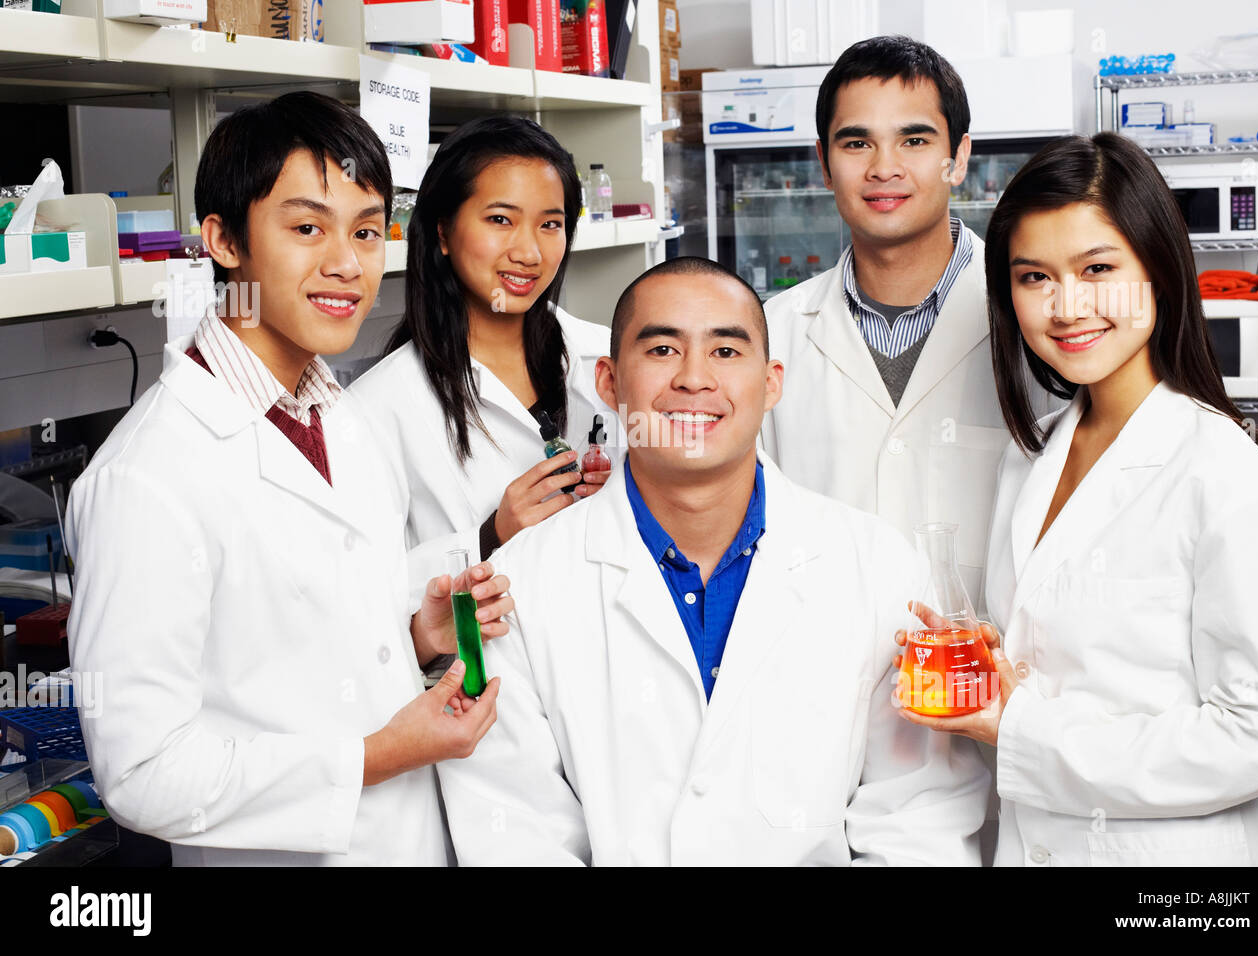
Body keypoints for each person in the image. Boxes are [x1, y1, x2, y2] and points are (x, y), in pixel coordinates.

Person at [65, 92, 510, 867]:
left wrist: (416, 633)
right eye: (307, 228)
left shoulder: (340, 418)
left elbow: (294, 656)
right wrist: (375, 755)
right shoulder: (146, 477)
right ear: (224, 239)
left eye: (367, 231)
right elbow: (141, 774)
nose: (346, 263)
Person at [435, 257, 990, 865]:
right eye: (662, 350)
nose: (695, 379)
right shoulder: (523, 585)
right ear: (610, 381)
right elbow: (514, 831)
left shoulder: (878, 568)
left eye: (726, 352)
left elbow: (917, 816)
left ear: (773, 381)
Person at [898, 132, 1258, 866]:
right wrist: (997, 668)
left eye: (1097, 269)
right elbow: (1087, 666)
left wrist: (1024, 729)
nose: (1066, 306)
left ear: (1157, 270)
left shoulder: (1230, 477)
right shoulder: (1034, 459)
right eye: (1033, 277)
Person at [761, 35, 1041, 606]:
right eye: (857, 142)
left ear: (958, 158)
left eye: (914, 140)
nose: (884, 168)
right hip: (822, 672)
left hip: (986, 678)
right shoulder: (772, 332)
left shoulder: (1034, 320)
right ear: (823, 162)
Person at [350, 117, 617, 601]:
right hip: (489, 671)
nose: (529, 251)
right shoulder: (376, 407)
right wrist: (491, 535)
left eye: (550, 224)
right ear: (443, 232)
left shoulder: (608, 360)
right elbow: (364, 598)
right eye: (500, 219)